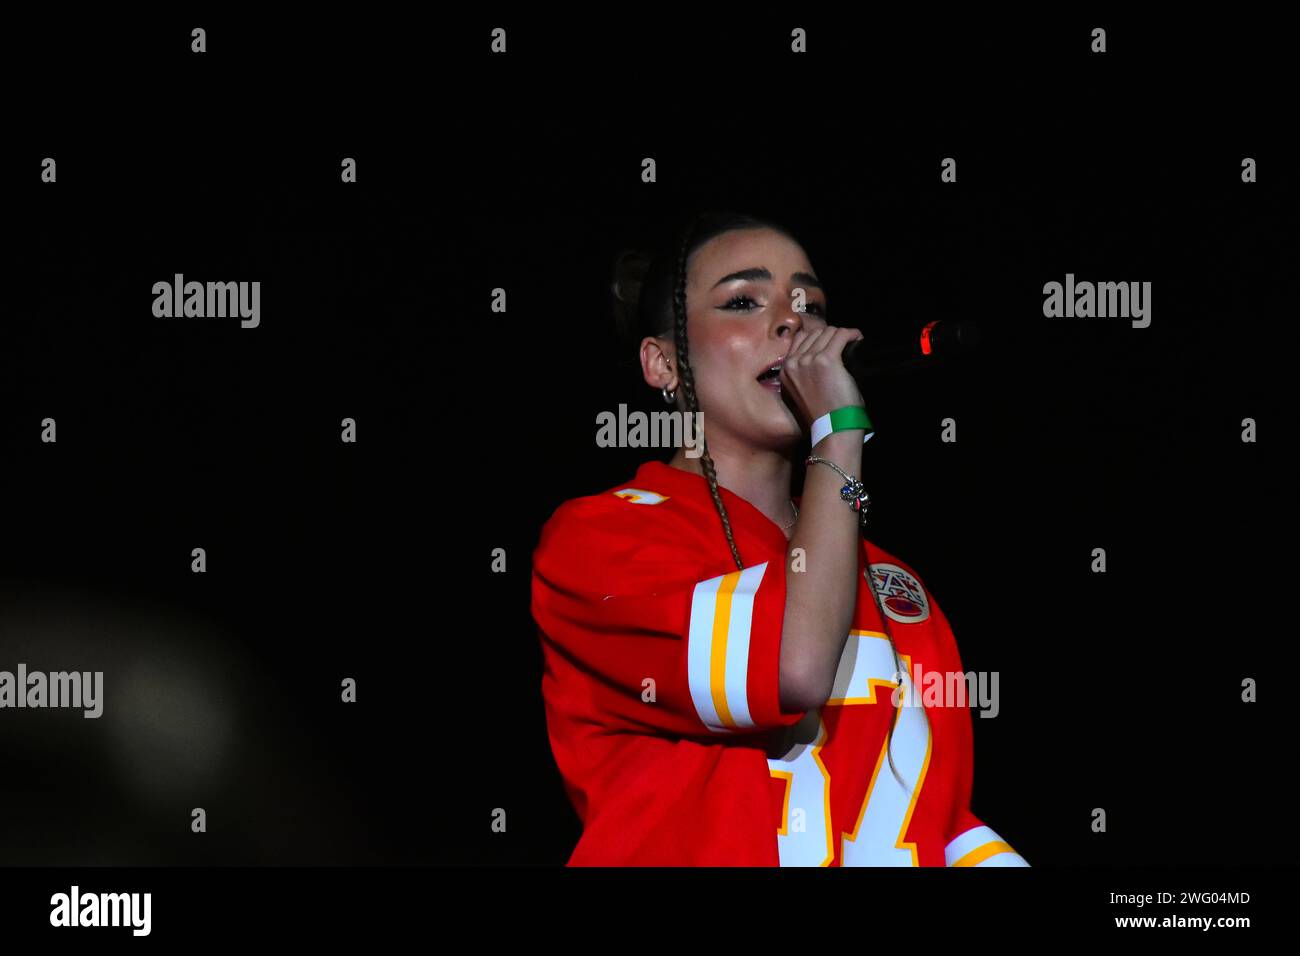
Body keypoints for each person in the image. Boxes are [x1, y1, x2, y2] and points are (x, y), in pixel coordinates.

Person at [530, 209, 1027, 867]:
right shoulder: (603, 537)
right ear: (662, 363)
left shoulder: (894, 585)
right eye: (743, 301)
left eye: (809, 305)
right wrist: (840, 433)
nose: (793, 323)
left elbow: (939, 819)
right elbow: (792, 668)